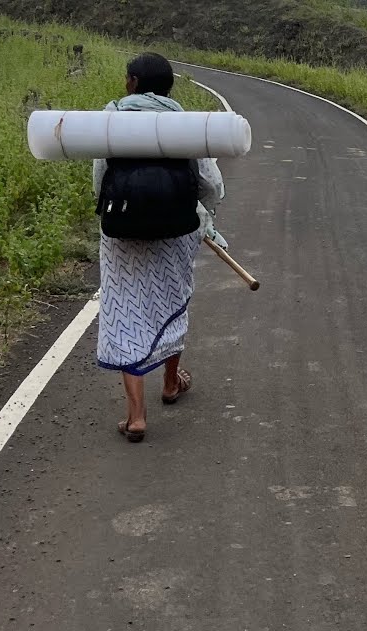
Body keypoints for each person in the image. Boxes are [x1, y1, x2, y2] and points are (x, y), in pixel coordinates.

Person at [92, 52, 224, 442]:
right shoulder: (185, 126)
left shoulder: (110, 121)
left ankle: (136, 417)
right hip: (175, 233)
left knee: (124, 311)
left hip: (122, 235)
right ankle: (170, 382)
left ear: (132, 82)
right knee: (170, 302)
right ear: (169, 87)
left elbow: (100, 181)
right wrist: (204, 217)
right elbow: (212, 185)